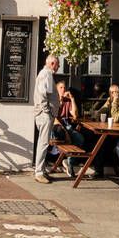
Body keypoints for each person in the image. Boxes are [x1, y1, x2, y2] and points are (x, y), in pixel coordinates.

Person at [33, 54, 61, 183]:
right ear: (52, 64)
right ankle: (39, 173)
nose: (59, 66)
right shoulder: (46, 74)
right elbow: (42, 95)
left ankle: (42, 171)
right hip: (45, 114)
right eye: (57, 64)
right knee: (43, 143)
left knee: (43, 143)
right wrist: (47, 111)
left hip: (45, 114)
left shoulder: (47, 74)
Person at [56, 81, 87, 176]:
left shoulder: (67, 101)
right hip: (57, 126)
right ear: (57, 89)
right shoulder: (54, 100)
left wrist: (72, 99)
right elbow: (53, 119)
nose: (63, 90)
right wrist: (66, 133)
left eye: (65, 88)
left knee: (80, 138)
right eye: (61, 88)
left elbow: (75, 115)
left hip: (66, 125)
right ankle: (69, 163)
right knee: (63, 136)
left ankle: (69, 162)